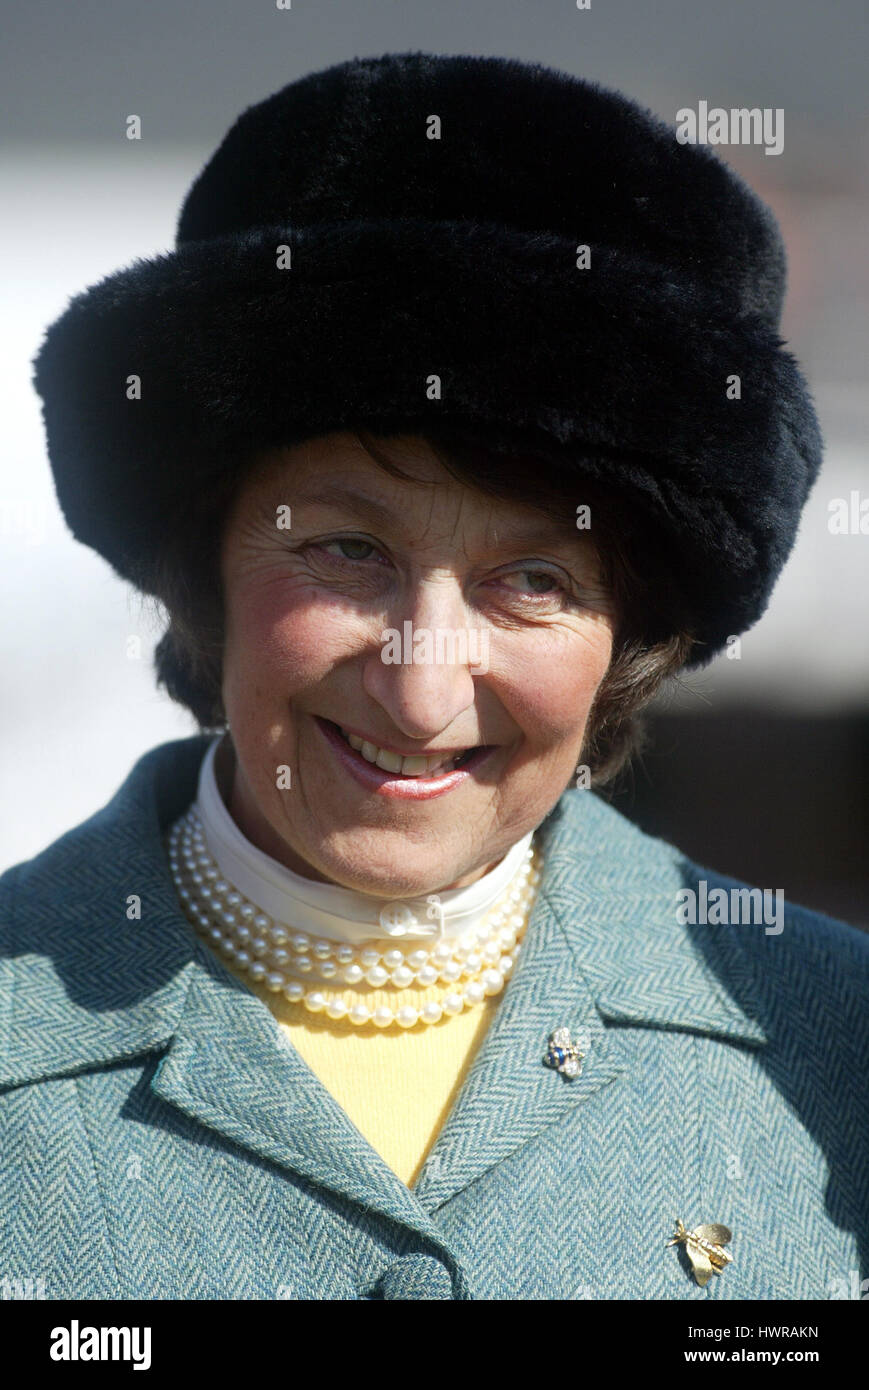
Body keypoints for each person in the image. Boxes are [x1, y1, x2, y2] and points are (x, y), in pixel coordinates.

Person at [2, 51, 866, 1301]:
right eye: (347, 551)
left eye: (534, 582)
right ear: (204, 571)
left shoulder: (834, 1058)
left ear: (628, 636)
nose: (419, 694)